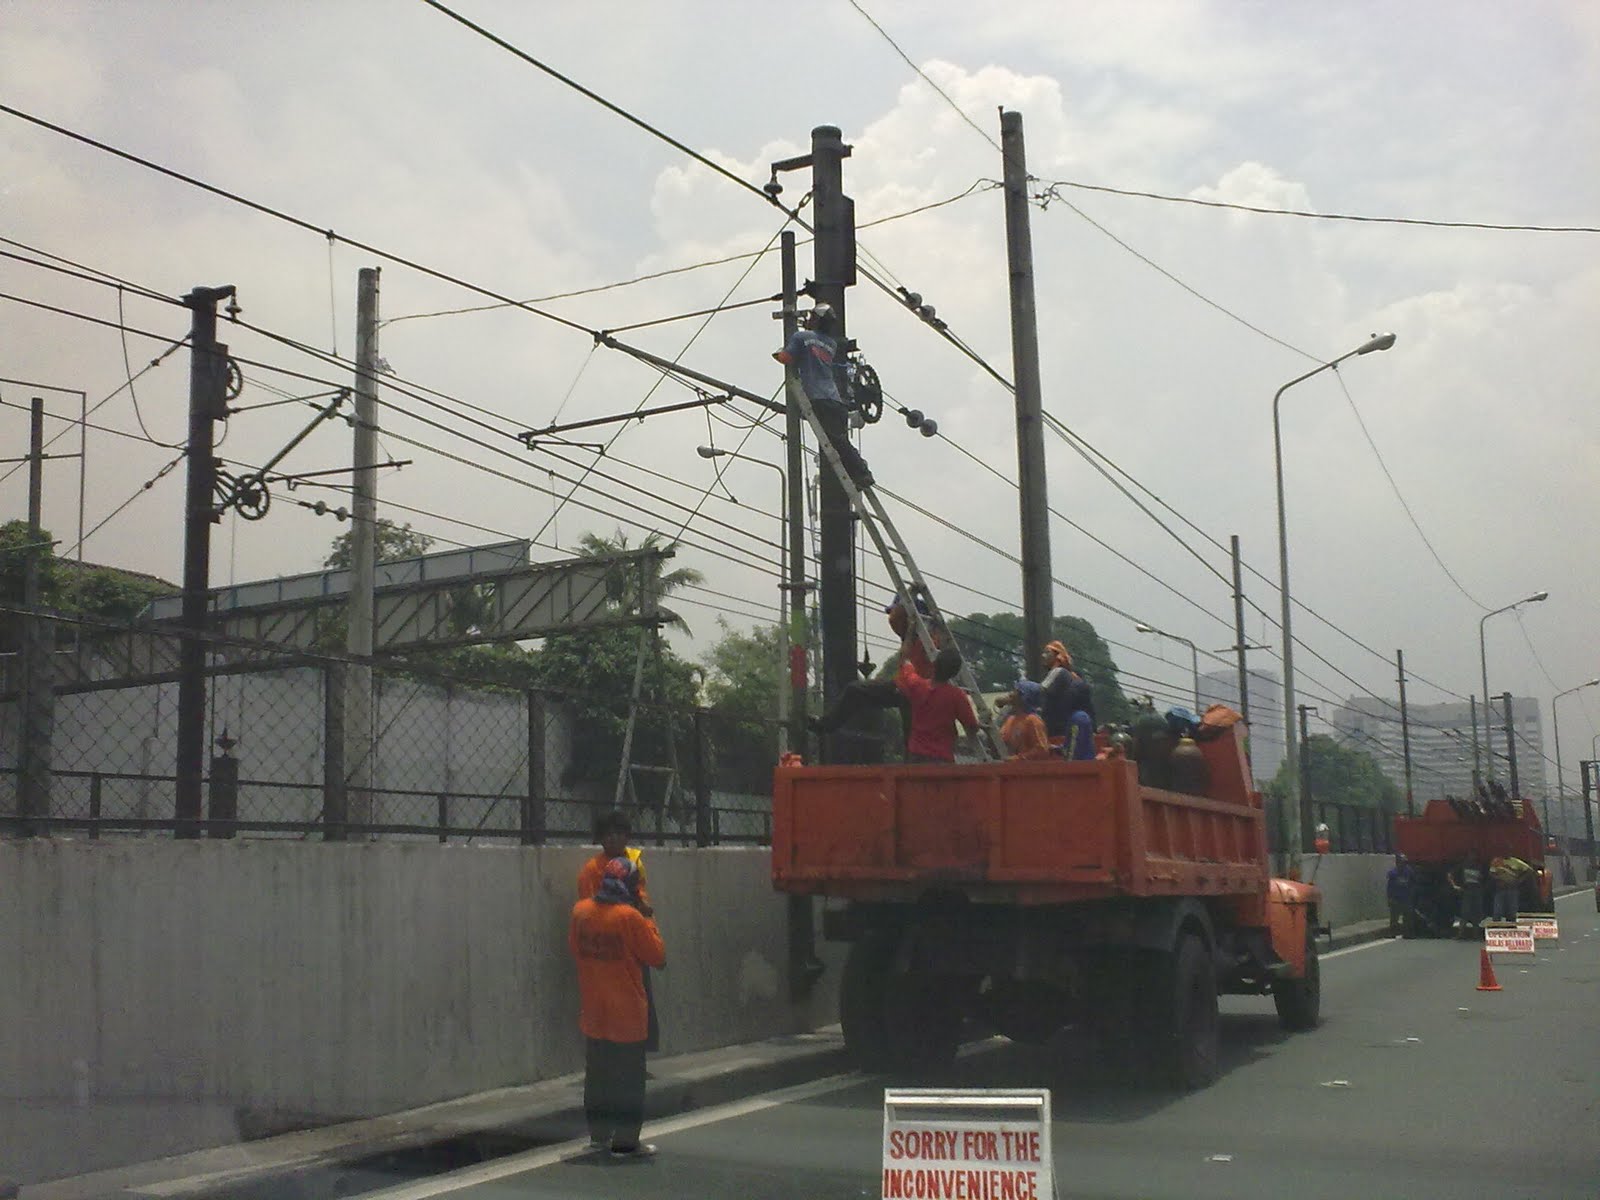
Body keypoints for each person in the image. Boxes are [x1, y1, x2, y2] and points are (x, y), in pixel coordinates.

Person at [569, 856, 667, 1159]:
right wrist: (648, 917)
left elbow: (575, 948)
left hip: (595, 1010)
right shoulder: (630, 917)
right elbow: (657, 957)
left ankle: (598, 1135)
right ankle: (626, 1141)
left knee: (597, 1076)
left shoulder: (580, 911)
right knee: (629, 1081)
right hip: (627, 1014)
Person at [809, 594, 940, 751]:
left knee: (912, 735)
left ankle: (914, 765)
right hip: (903, 687)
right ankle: (824, 725)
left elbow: (905, 651)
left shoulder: (928, 638)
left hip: (917, 692)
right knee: (855, 691)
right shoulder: (914, 632)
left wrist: (910, 601)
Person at [578, 811, 658, 1052]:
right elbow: (589, 911)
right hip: (607, 947)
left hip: (632, 944)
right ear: (601, 839)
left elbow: (642, 899)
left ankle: (637, 1054)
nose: (614, 839)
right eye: (608, 834)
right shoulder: (591, 870)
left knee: (638, 1003)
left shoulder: (633, 865)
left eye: (619, 834)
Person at [774, 302, 874, 490]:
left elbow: (787, 358)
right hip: (834, 399)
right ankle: (857, 475)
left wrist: (779, 353)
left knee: (836, 441)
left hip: (817, 397)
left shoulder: (800, 337)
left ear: (816, 320)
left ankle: (862, 473)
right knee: (839, 441)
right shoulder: (831, 344)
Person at [895, 645, 978, 763]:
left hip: (916, 756)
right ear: (954, 674)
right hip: (942, 758)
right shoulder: (956, 696)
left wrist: (910, 634)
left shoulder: (916, 685)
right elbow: (971, 727)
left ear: (934, 664)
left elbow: (904, 661)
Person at [1039, 641, 1095, 760]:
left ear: (1057, 656)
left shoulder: (1059, 672)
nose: (1042, 656)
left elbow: (1038, 691)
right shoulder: (1076, 680)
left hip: (1060, 731)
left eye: (1047, 652)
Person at [999, 680, 1051, 761]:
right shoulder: (1010, 719)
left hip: (1026, 771)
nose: (1011, 694)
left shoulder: (1033, 720)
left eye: (1015, 691)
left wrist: (1017, 759)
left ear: (1023, 697)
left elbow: (1042, 751)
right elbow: (1001, 740)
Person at [1449, 855, 1485, 938]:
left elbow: (1484, 878)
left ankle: (1476, 934)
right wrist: (1455, 885)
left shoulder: (1479, 867)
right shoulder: (1463, 866)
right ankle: (1461, 934)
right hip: (1467, 890)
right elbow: (1450, 874)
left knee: (1476, 912)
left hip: (1477, 890)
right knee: (1465, 912)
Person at [1488, 853, 1531, 922]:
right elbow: (1491, 873)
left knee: (1512, 912)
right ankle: (1496, 929)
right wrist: (1498, 878)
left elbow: (1528, 870)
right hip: (1500, 889)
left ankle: (1511, 928)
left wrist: (1519, 880)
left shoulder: (1516, 861)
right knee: (1497, 911)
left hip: (1512, 889)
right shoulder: (1496, 861)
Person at [1386, 854, 1414, 936]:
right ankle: (1392, 932)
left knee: (1407, 917)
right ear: (1397, 863)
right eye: (1401, 863)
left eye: (1404, 863)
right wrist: (1390, 898)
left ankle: (1407, 933)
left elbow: (1412, 884)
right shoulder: (1393, 873)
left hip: (1406, 898)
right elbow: (1389, 887)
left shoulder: (1409, 872)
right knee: (1394, 917)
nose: (1403, 865)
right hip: (1396, 898)